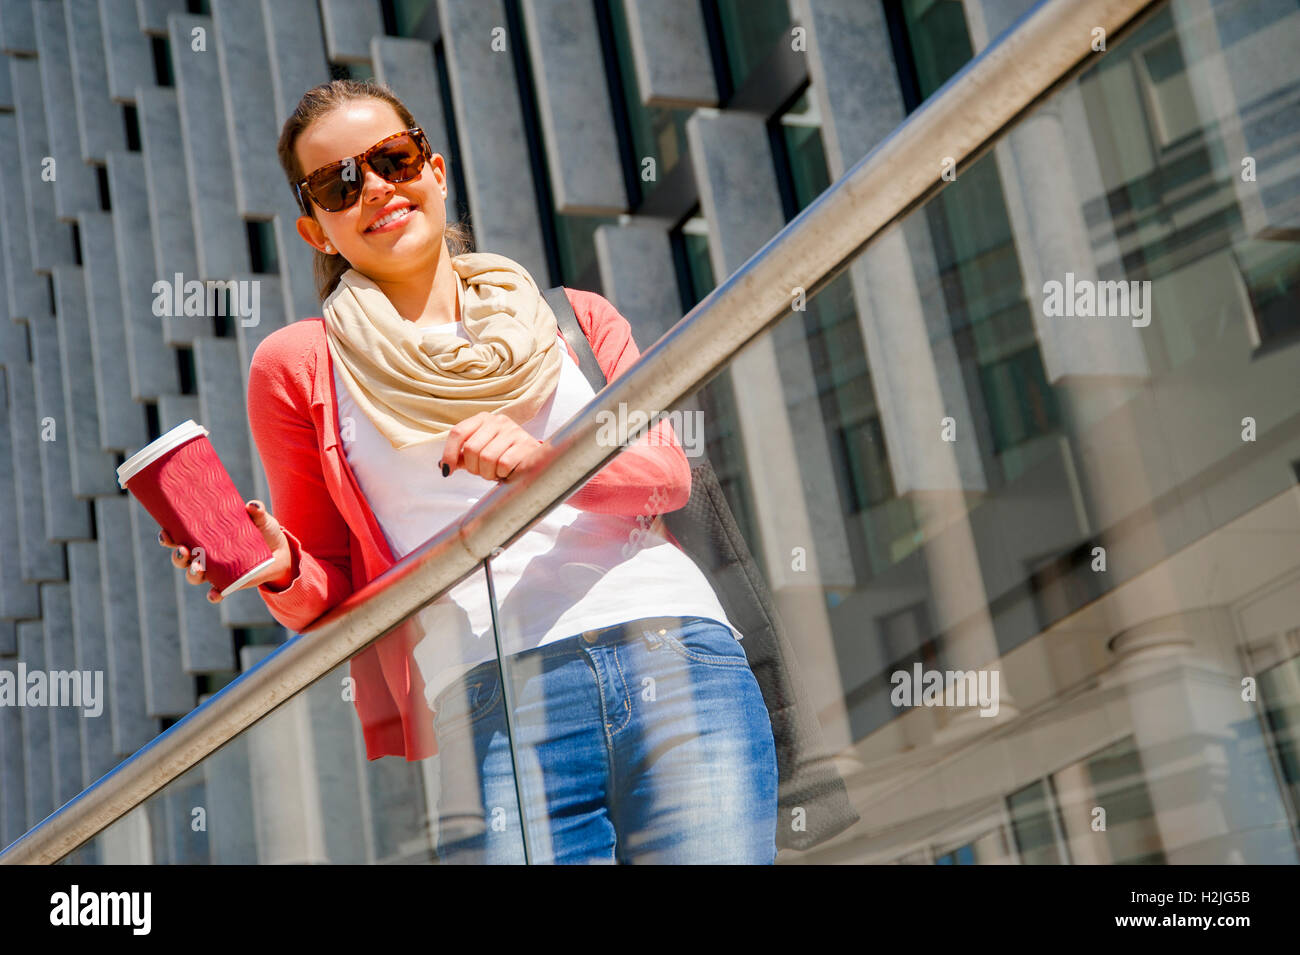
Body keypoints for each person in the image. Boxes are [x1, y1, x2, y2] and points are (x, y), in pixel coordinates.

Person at [158, 79, 777, 864]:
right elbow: (333, 591)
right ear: (314, 229)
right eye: (338, 183)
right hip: (494, 696)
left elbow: (667, 475)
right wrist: (278, 565)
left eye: (393, 158)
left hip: (674, 647)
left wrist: (547, 466)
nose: (376, 187)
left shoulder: (572, 316)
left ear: (436, 170)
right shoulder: (298, 366)